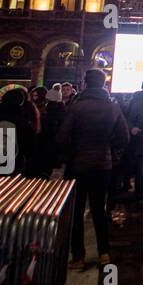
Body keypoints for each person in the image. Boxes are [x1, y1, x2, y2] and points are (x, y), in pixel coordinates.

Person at [57, 69, 129, 267]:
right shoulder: (112, 107)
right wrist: (111, 150)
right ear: (104, 84)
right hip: (102, 164)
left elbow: (62, 137)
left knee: (76, 211)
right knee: (100, 209)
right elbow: (124, 137)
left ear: (86, 82)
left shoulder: (77, 106)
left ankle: (78, 256)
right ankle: (104, 253)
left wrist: (69, 151)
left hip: (77, 164)